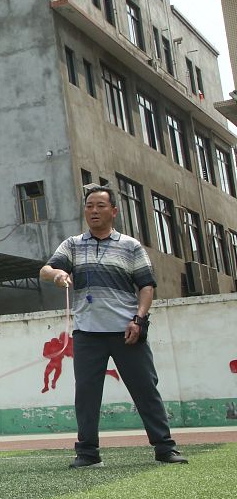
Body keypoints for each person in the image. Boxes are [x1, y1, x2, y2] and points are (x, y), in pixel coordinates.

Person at [40, 184, 188, 468]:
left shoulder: (130, 246)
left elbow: (146, 286)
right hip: (87, 334)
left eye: (100, 206)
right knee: (86, 394)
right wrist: (58, 275)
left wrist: (139, 319)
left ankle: (164, 448)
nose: (93, 211)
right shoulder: (72, 244)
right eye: (89, 206)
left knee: (146, 389)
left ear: (114, 211)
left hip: (126, 332)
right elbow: (46, 270)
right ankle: (87, 454)